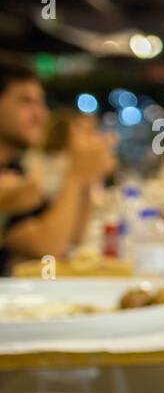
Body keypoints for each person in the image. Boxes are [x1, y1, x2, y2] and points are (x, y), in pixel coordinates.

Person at [0, 63, 115, 274]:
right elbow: (48, 249)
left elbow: (73, 236)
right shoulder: (20, 174)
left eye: (41, 102)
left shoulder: (14, 167)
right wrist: (76, 174)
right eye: (26, 101)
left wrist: (89, 173)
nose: (42, 114)